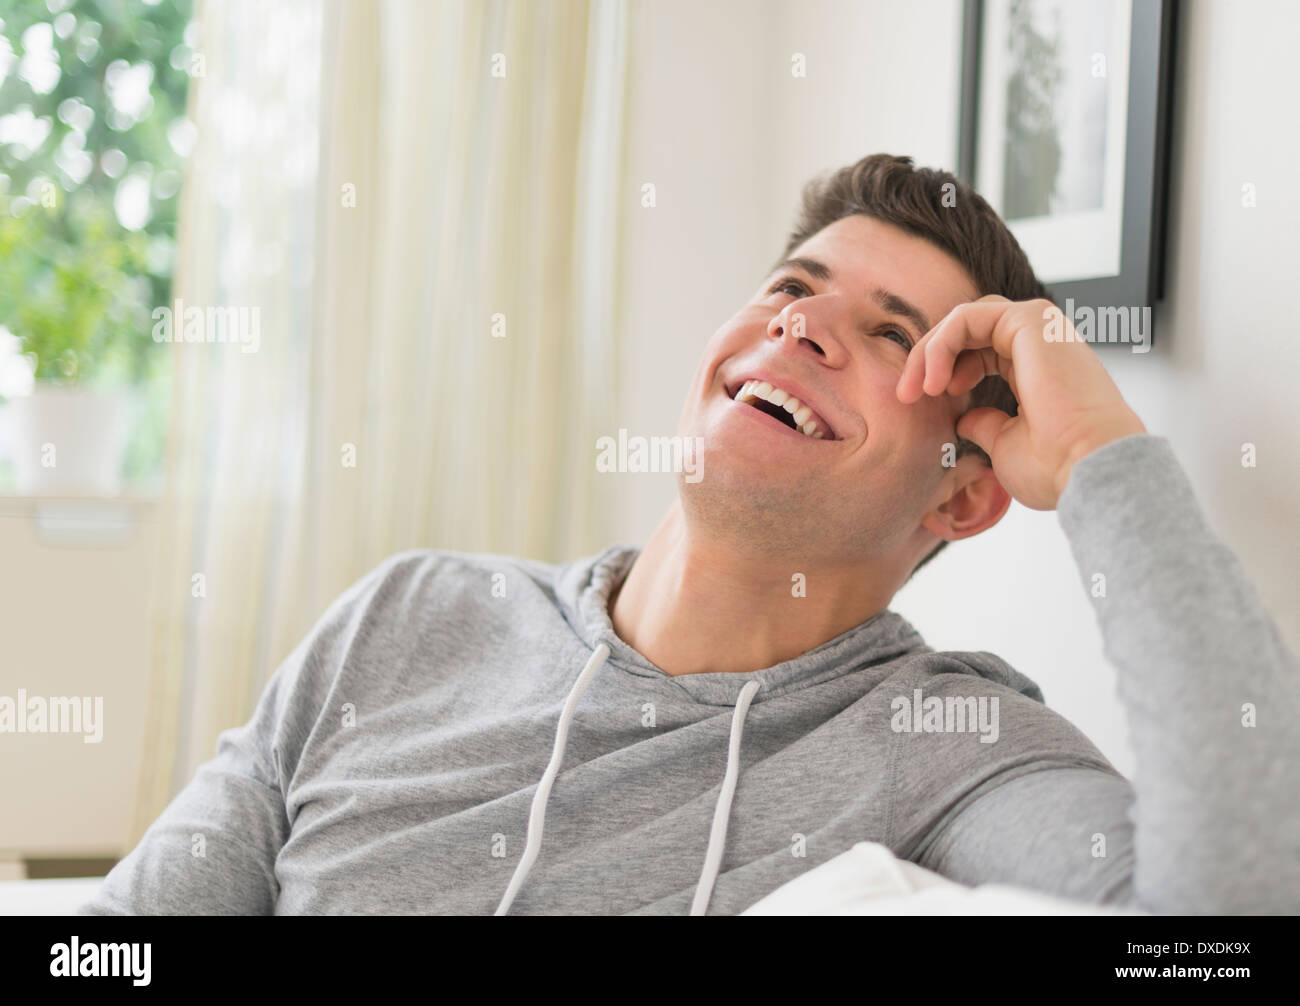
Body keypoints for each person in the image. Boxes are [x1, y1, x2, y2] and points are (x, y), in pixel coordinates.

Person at [80, 154, 1300, 915]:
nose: (803, 327)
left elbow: (1222, 922)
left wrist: (1098, 461)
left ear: (961, 491)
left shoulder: (945, 741)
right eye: (789, 286)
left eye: (891, 336)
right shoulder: (409, 615)